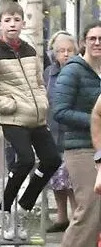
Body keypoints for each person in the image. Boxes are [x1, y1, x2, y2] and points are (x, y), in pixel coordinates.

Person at [0, 2, 62, 241]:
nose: (13, 24)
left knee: (52, 160)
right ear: (0, 24)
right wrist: (10, 105)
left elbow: (38, 81)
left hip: (36, 116)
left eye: (17, 19)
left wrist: (42, 102)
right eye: (8, 20)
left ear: (23, 23)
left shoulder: (30, 51)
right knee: (24, 160)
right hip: (13, 117)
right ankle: (2, 208)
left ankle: (23, 208)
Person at [52, 22, 101, 247]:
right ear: (84, 42)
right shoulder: (74, 71)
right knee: (89, 207)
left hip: (99, 147)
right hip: (81, 148)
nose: (97, 43)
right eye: (92, 38)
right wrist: (95, 119)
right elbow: (60, 111)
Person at [43, 31, 78, 233]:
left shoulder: (79, 71)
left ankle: (76, 218)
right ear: (53, 53)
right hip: (52, 132)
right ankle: (61, 217)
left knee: (71, 179)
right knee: (57, 178)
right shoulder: (49, 74)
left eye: (69, 50)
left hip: (72, 133)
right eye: (60, 51)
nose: (65, 54)